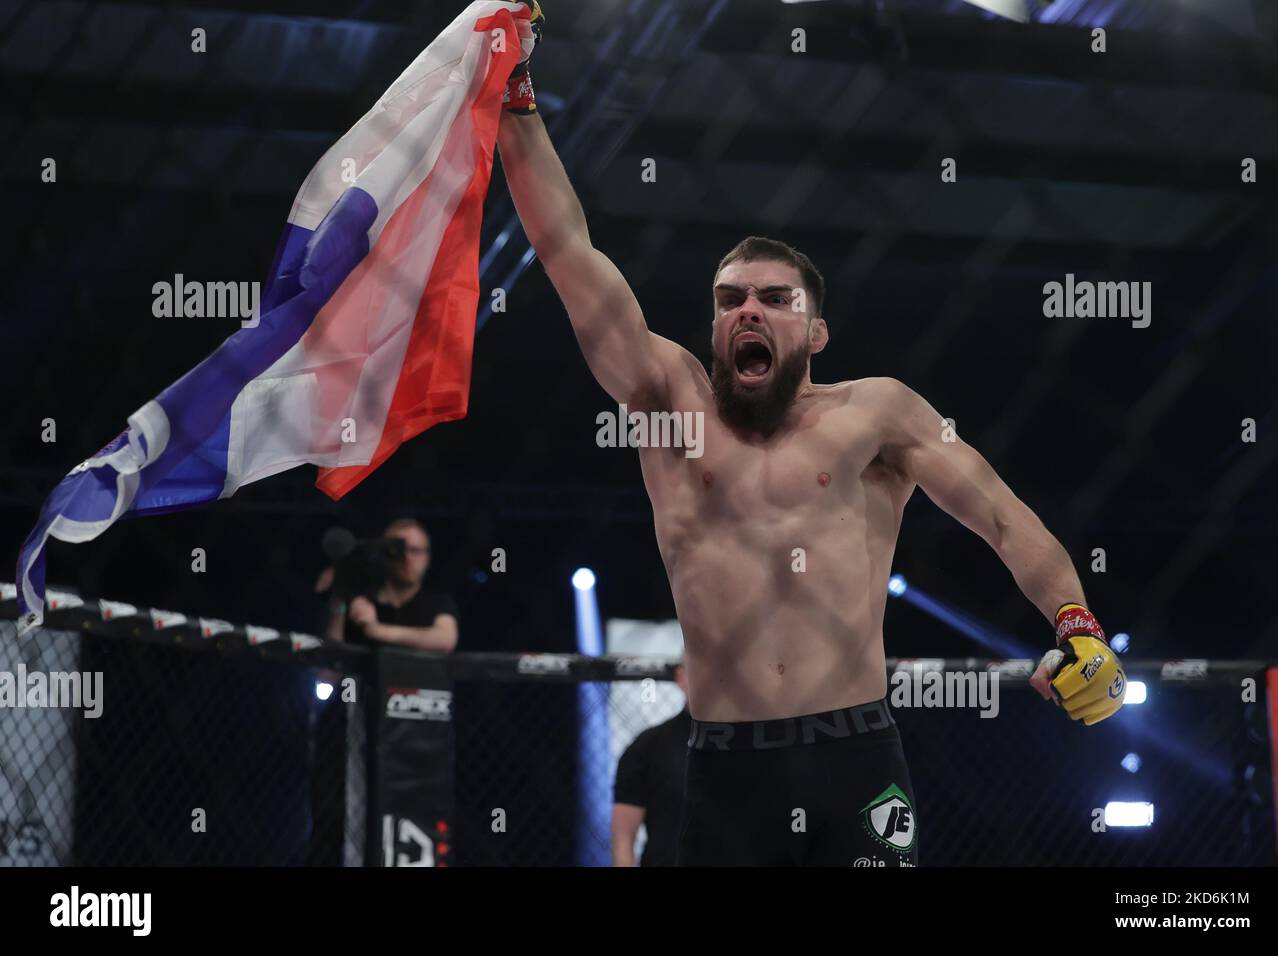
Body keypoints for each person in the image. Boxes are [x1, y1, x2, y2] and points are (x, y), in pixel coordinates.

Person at [496, 5, 1125, 866]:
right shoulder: (666, 399)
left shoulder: (878, 414)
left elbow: (1006, 520)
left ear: (816, 333)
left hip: (856, 753)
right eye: (729, 299)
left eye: (774, 298)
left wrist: (1077, 623)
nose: (747, 308)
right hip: (722, 762)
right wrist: (515, 100)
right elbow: (566, 250)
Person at [322, 517, 459, 653]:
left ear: (427, 558)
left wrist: (376, 629)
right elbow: (332, 657)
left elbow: (445, 640)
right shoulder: (364, 601)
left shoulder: (437, 602)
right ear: (384, 553)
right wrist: (339, 602)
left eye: (415, 551)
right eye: (398, 550)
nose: (407, 558)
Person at [611, 664, 691, 867]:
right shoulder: (648, 747)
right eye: (700, 667)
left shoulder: (752, 744)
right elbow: (623, 838)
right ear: (681, 676)